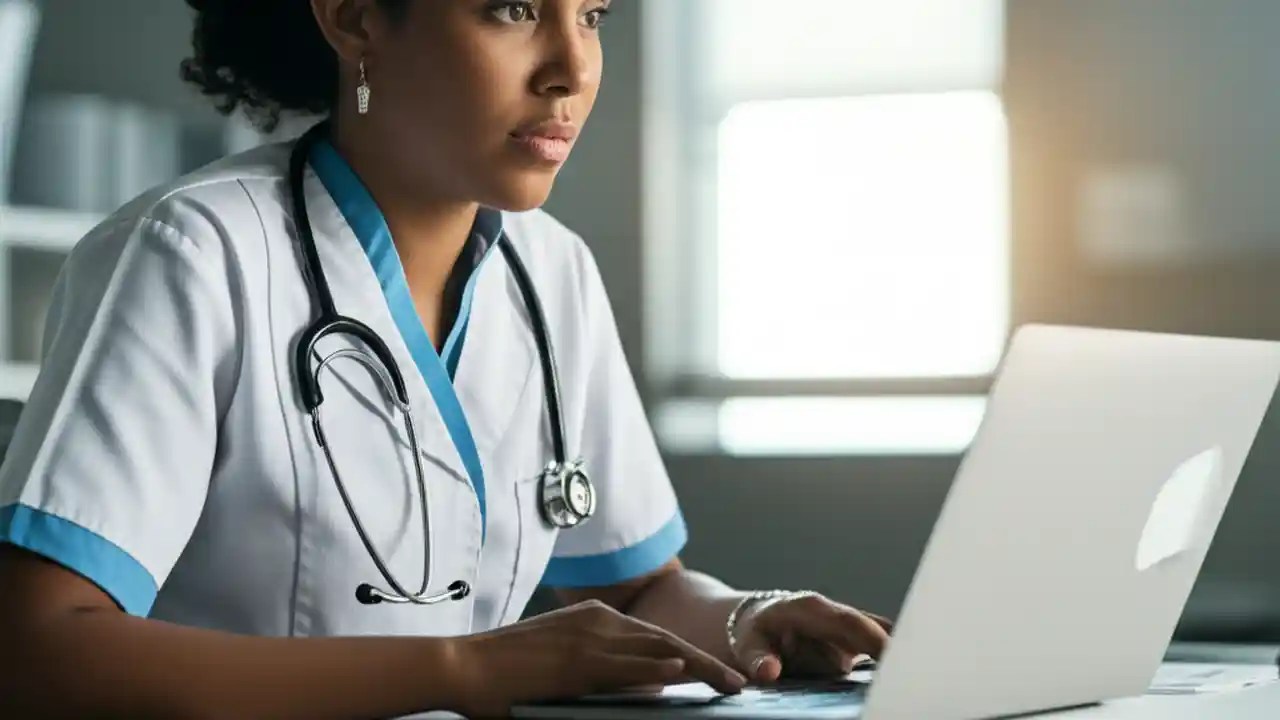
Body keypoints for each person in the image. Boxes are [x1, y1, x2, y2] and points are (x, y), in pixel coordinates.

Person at [0, 1, 890, 717]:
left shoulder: (553, 271)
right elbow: (36, 650)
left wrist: (745, 618)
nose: (571, 70)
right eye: (513, 10)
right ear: (351, 18)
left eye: (592, 15)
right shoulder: (194, 253)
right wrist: (462, 670)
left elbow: (635, 589)